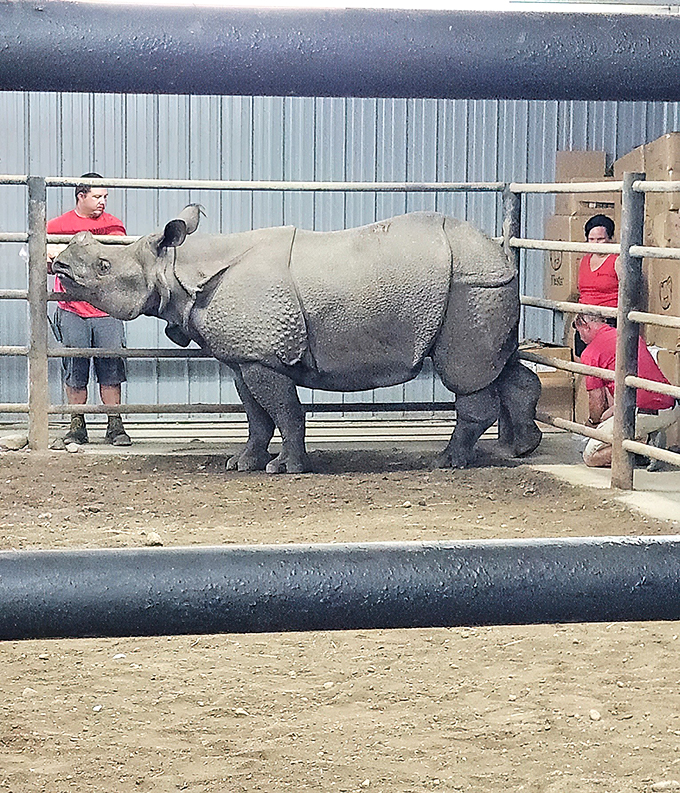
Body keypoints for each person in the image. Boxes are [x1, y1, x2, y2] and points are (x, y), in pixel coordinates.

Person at [47, 173, 131, 446]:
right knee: (75, 368)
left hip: (106, 308)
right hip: (72, 308)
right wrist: (51, 257)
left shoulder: (113, 226)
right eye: (97, 196)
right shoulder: (58, 226)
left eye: (105, 196)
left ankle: (115, 426)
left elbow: (116, 262)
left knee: (110, 368)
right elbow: (39, 258)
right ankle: (77, 425)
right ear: (80, 196)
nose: (102, 202)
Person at [575, 313, 678, 468]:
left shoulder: (591, 353)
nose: (579, 336)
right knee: (611, 419)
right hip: (670, 406)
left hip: (641, 409)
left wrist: (592, 423)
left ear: (586, 326)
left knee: (591, 456)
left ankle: (645, 445)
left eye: (579, 331)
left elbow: (596, 402)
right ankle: (645, 439)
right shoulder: (627, 335)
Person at [573, 214, 619, 358]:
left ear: (610, 239)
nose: (595, 243)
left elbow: (628, 293)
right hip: (585, 319)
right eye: (591, 239)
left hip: (608, 320)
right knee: (582, 362)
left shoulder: (617, 261)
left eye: (600, 239)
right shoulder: (583, 261)